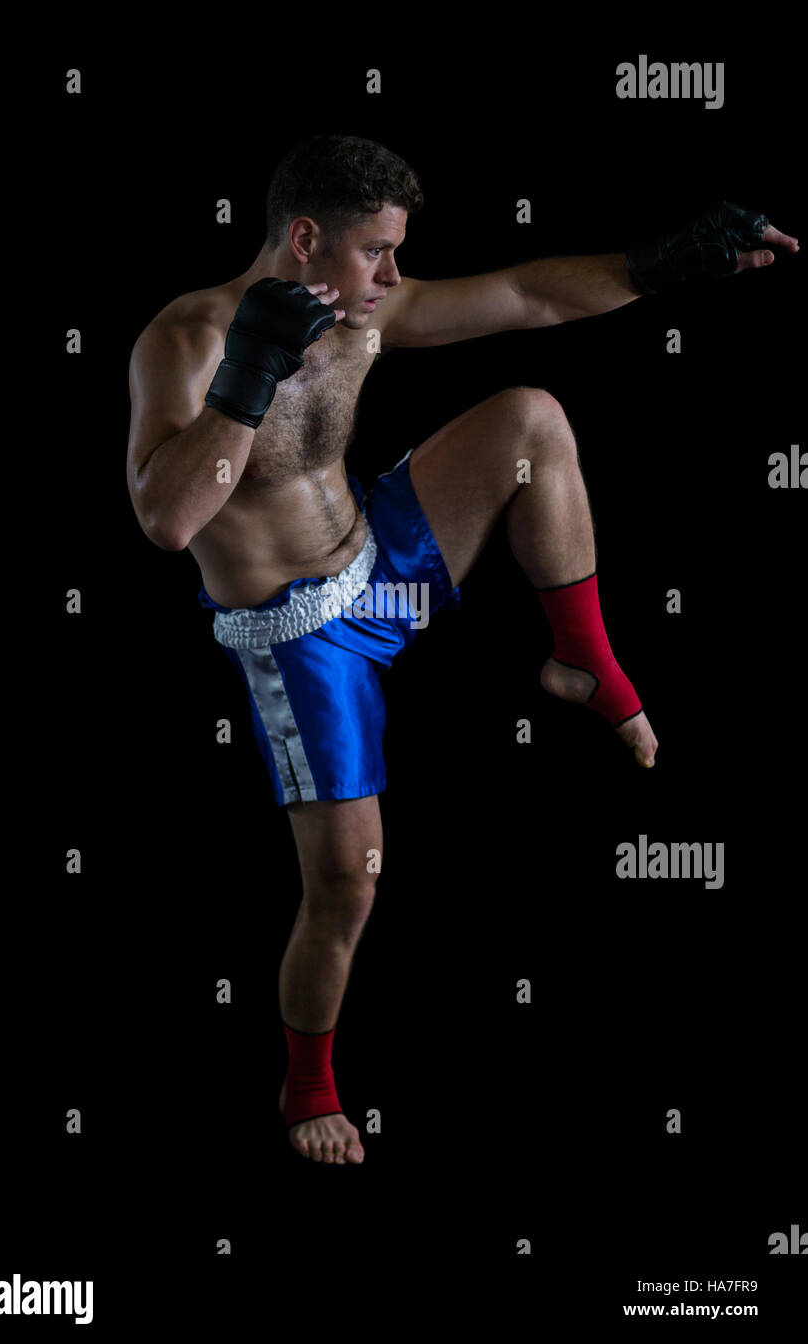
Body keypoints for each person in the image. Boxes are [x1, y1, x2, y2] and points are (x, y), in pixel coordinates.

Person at [126, 134, 797, 1165]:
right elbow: (168, 521)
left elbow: (526, 296)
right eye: (375, 252)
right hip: (301, 636)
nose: (392, 277)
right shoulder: (184, 339)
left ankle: (580, 661)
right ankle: (308, 1086)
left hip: (377, 556)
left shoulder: (362, 312)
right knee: (350, 882)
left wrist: (660, 264)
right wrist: (245, 381)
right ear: (304, 240)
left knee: (532, 416)